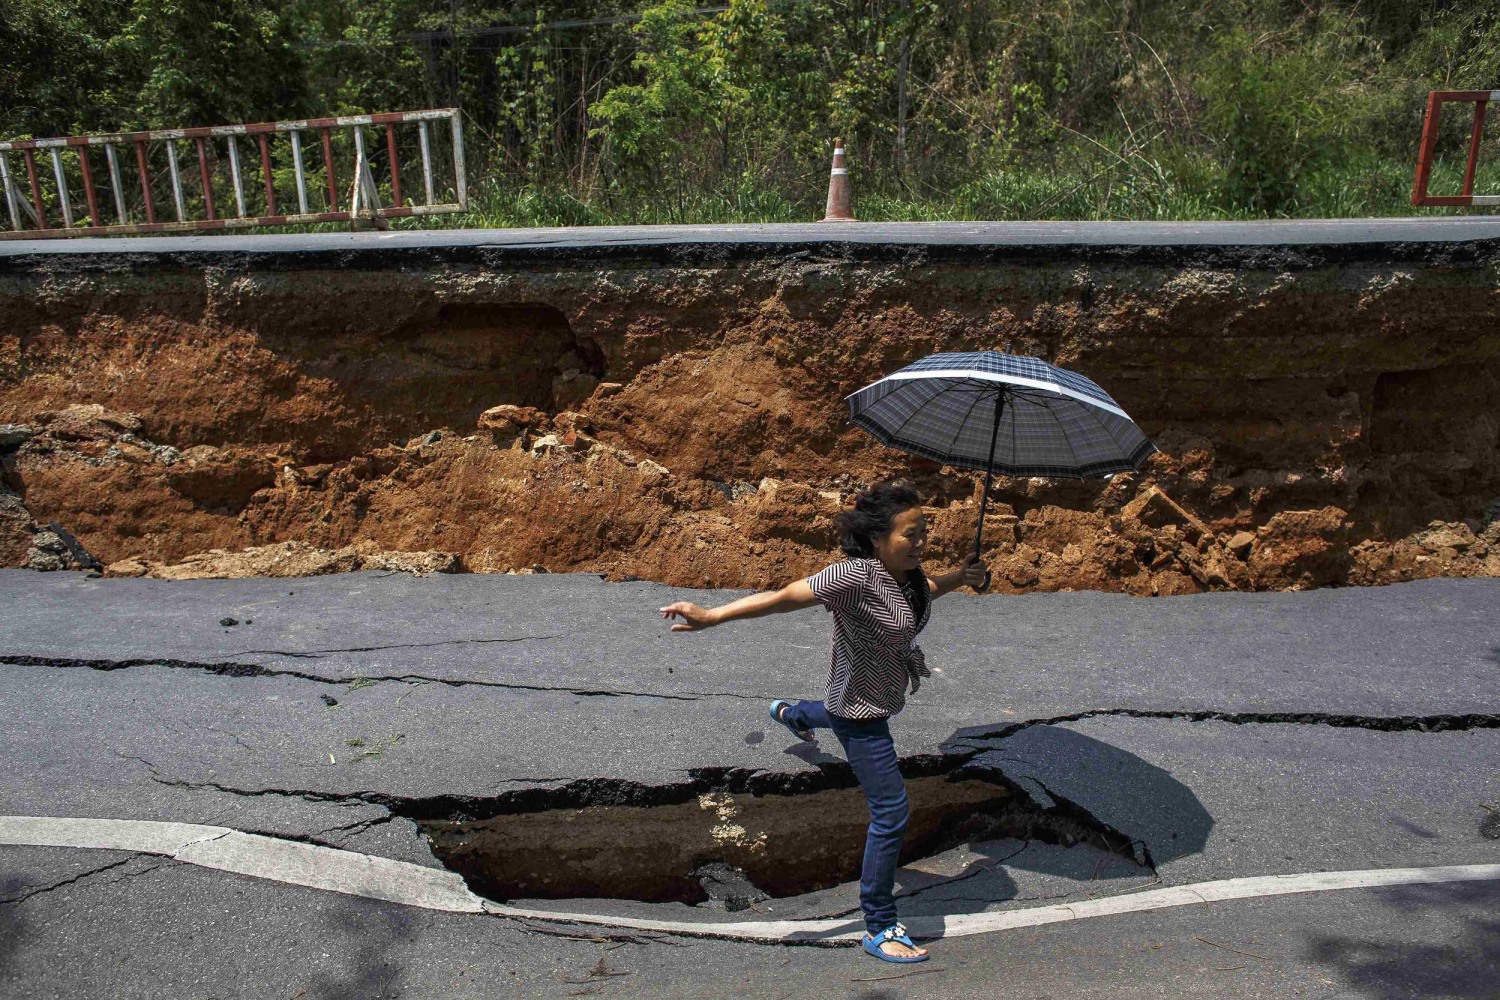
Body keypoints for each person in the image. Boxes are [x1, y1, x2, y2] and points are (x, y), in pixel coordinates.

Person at [658, 479, 988, 962]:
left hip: (862, 697)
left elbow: (921, 595)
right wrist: (713, 616)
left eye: (924, 533)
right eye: (910, 534)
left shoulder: (907, 575)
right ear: (876, 538)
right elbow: (786, 596)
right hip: (862, 711)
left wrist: (961, 576)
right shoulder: (853, 576)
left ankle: (790, 713)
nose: (921, 543)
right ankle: (879, 925)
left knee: (826, 712)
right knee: (891, 811)